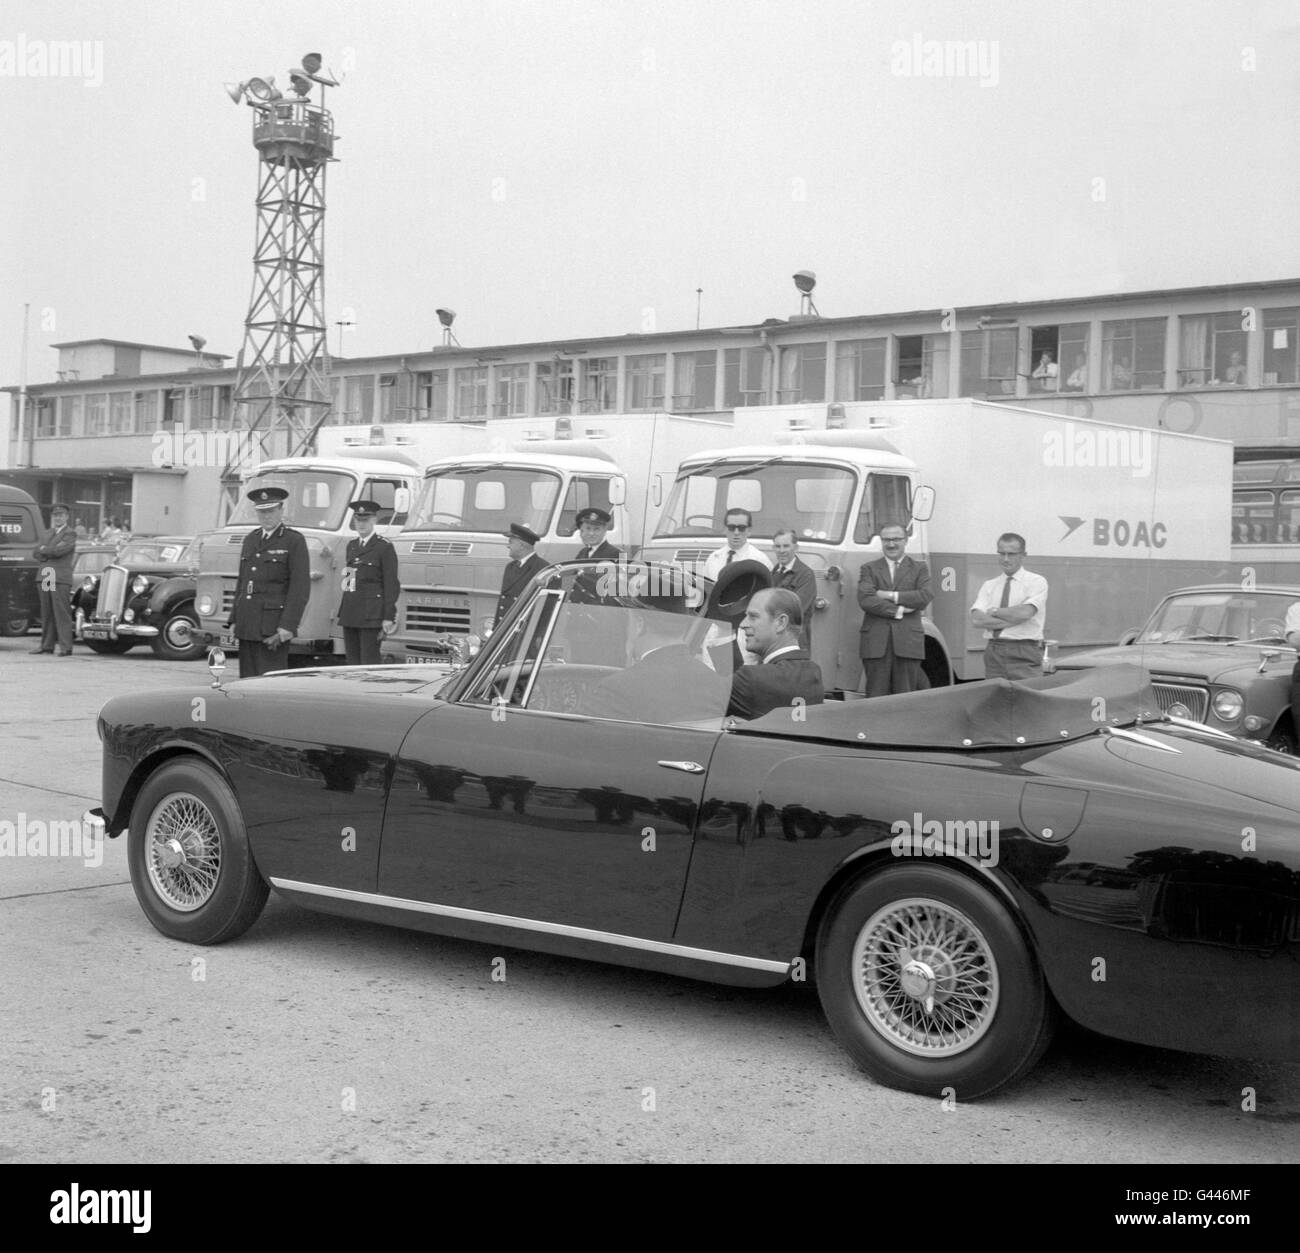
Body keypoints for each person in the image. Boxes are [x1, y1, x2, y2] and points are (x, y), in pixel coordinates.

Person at [587, 600, 730, 723]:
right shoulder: (720, 686)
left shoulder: (618, 688)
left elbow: (576, 740)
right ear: (683, 627)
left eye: (628, 621)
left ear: (639, 624)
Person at [227, 486, 310, 678]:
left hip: (273, 627)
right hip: (247, 623)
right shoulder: (251, 539)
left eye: (271, 511)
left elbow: (300, 588)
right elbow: (243, 582)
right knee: (247, 680)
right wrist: (234, 619)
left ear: (281, 510)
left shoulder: (293, 541)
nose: (266, 516)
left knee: (269, 681)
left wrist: (288, 626)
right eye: (262, 511)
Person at [858, 524, 933, 697]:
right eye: (886, 540)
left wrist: (890, 595)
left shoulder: (919, 568)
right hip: (876, 644)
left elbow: (925, 596)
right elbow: (866, 600)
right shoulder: (868, 568)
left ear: (906, 541)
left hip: (907, 642)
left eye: (896, 539)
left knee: (905, 699)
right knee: (875, 700)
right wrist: (898, 611)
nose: (891, 544)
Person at [727, 587, 824, 720]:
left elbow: (694, 698)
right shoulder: (813, 673)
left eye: (753, 617)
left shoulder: (752, 679)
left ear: (780, 623)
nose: (743, 624)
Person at [970, 532, 1049, 680]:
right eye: (1001, 553)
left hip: (1024, 650)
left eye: (1011, 554)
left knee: (1027, 699)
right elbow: (977, 620)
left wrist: (994, 611)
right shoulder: (989, 585)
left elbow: (1024, 613)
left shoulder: (1036, 582)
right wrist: (1013, 618)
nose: (1005, 559)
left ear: (1023, 555)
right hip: (994, 651)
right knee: (996, 699)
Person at [337, 499, 398, 665]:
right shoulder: (351, 546)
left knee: (369, 662)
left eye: (365, 520)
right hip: (351, 613)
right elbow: (349, 582)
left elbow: (391, 584)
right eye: (358, 520)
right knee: (352, 663)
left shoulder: (383, 547)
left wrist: (388, 617)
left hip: (372, 614)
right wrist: (344, 611)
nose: (361, 524)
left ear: (374, 520)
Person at [31, 503, 76, 656]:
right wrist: (46, 550)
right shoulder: (47, 533)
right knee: (47, 611)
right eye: (55, 515)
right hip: (46, 574)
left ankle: (66, 647)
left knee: (61, 612)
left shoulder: (70, 533)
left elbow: (59, 551)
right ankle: (46, 646)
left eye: (61, 515)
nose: (58, 518)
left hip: (59, 577)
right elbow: (36, 552)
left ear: (67, 517)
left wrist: (45, 550)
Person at [771, 528, 816, 651]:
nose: (781, 551)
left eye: (786, 546)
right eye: (777, 546)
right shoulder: (773, 573)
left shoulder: (806, 575)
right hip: (772, 641)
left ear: (796, 548)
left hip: (795, 642)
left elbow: (796, 609)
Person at [496, 522, 548, 625]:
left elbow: (545, 608)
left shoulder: (542, 569)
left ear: (521, 545)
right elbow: (503, 603)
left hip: (524, 631)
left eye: (511, 542)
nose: (508, 546)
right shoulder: (510, 567)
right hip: (506, 628)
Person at [702, 508, 772, 580]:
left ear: (749, 531)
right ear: (725, 529)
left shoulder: (760, 560)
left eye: (741, 528)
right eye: (731, 527)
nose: (736, 532)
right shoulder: (713, 558)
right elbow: (705, 587)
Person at [571, 506, 621, 604]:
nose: (591, 533)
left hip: (600, 612)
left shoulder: (616, 555)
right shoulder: (582, 553)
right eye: (588, 528)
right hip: (578, 611)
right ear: (581, 531)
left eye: (597, 529)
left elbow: (617, 594)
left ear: (605, 531)